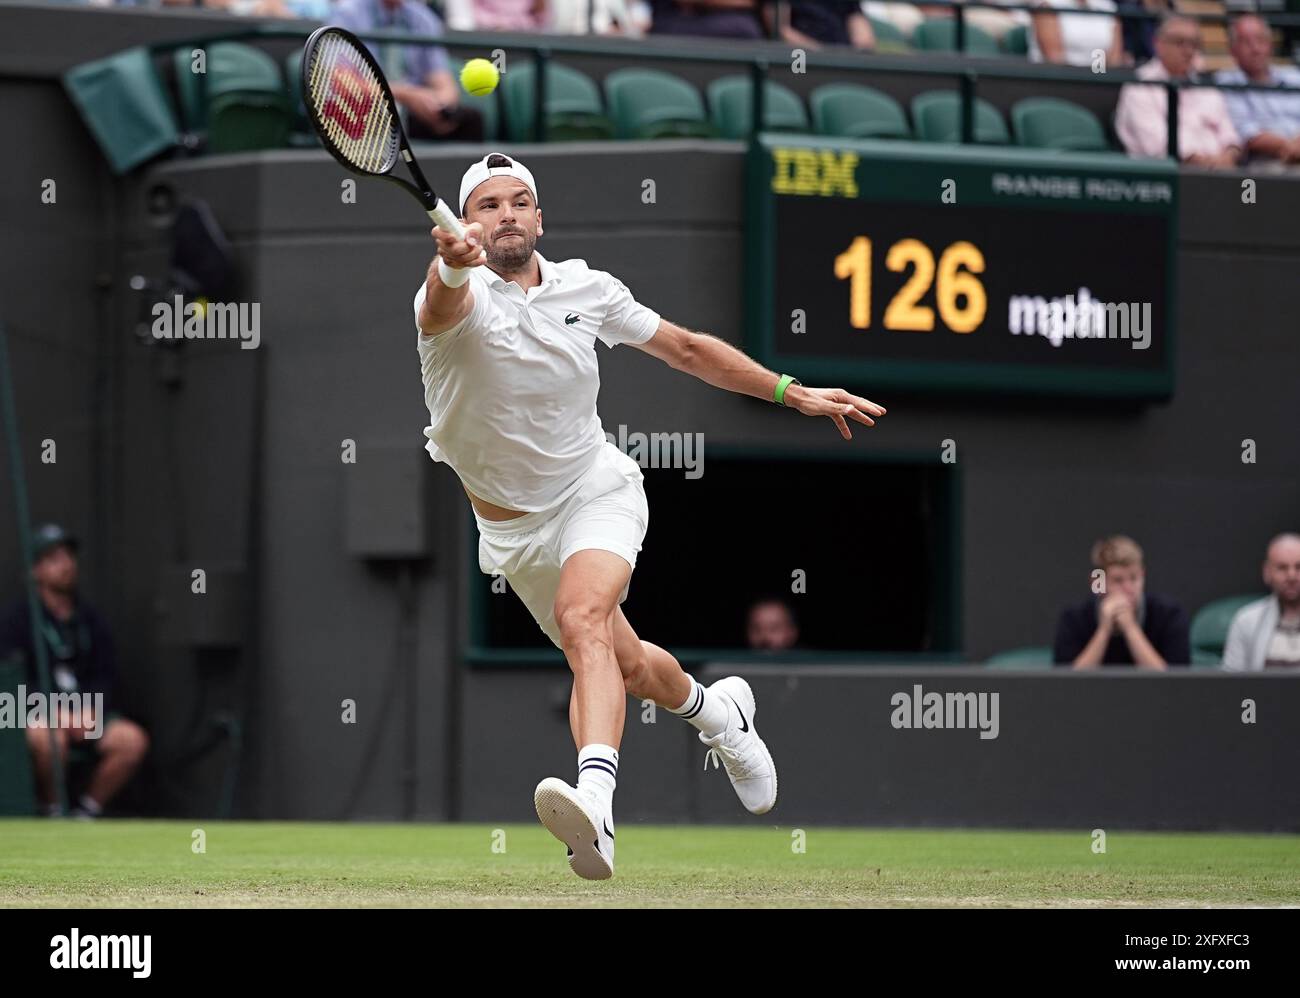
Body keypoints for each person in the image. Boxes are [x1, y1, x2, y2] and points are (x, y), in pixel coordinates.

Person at [414, 152, 886, 878]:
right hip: (512, 531)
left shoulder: (588, 289)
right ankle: (718, 714)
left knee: (583, 625)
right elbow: (442, 305)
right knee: (627, 665)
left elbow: (688, 350)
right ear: (466, 224)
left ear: (540, 219)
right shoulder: (453, 299)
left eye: (517, 202)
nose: (504, 214)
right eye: (485, 205)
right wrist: (448, 267)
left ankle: (595, 807)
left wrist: (791, 392)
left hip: (593, 490)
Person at [0, 525, 150, 817]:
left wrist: (90, 712)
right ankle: (53, 808)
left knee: (131, 741)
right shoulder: (16, 620)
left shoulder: (91, 620)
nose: (66, 565)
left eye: (68, 557)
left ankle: (85, 811)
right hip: (35, 714)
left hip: (86, 714)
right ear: (36, 571)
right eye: (54, 559)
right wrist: (55, 713)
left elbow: (106, 676)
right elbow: (12, 680)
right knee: (50, 740)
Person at [334, 0, 484, 142]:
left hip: (413, 113)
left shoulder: (424, 19)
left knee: (470, 121)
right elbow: (340, 82)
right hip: (365, 109)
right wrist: (405, 95)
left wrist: (438, 107)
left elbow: (446, 86)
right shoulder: (347, 14)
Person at [1115, 14, 1242, 167]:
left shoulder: (1207, 88)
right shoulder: (1140, 87)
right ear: (1158, 44)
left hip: (1220, 173)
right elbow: (1157, 146)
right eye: (1180, 42)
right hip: (1166, 177)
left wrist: (1229, 155)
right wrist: (1203, 162)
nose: (1188, 51)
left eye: (1194, 44)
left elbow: (1230, 134)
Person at [1052, 535, 1191, 669]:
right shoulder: (1073, 618)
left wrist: (1130, 628)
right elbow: (1067, 683)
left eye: (1134, 578)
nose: (1129, 589)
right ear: (1097, 582)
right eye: (1118, 580)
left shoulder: (1169, 615)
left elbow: (1173, 684)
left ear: (1143, 575)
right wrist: (1104, 629)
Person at [1215, 15, 1300, 167]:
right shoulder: (1226, 82)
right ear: (1232, 50)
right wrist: (1289, 148)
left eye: (1261, 40)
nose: (1255, 49)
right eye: (1246, 42)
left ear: (1270, 45)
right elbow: (1248, 135)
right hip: (1264, 163)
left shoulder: (1294, 76)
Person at [1223, 533, 1300, 670]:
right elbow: (1231, 683)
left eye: (1299, 567)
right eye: (1282, 568)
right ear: (1267, 572)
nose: (1291, 576)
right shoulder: (1246, 621)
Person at [1028, 0, 1126, 68]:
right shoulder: (1047, 5)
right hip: (1059, 84)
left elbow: (1114, 60)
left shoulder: (1108, 6)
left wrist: (1099, 77)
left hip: (1098, 83)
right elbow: (1055, 60)